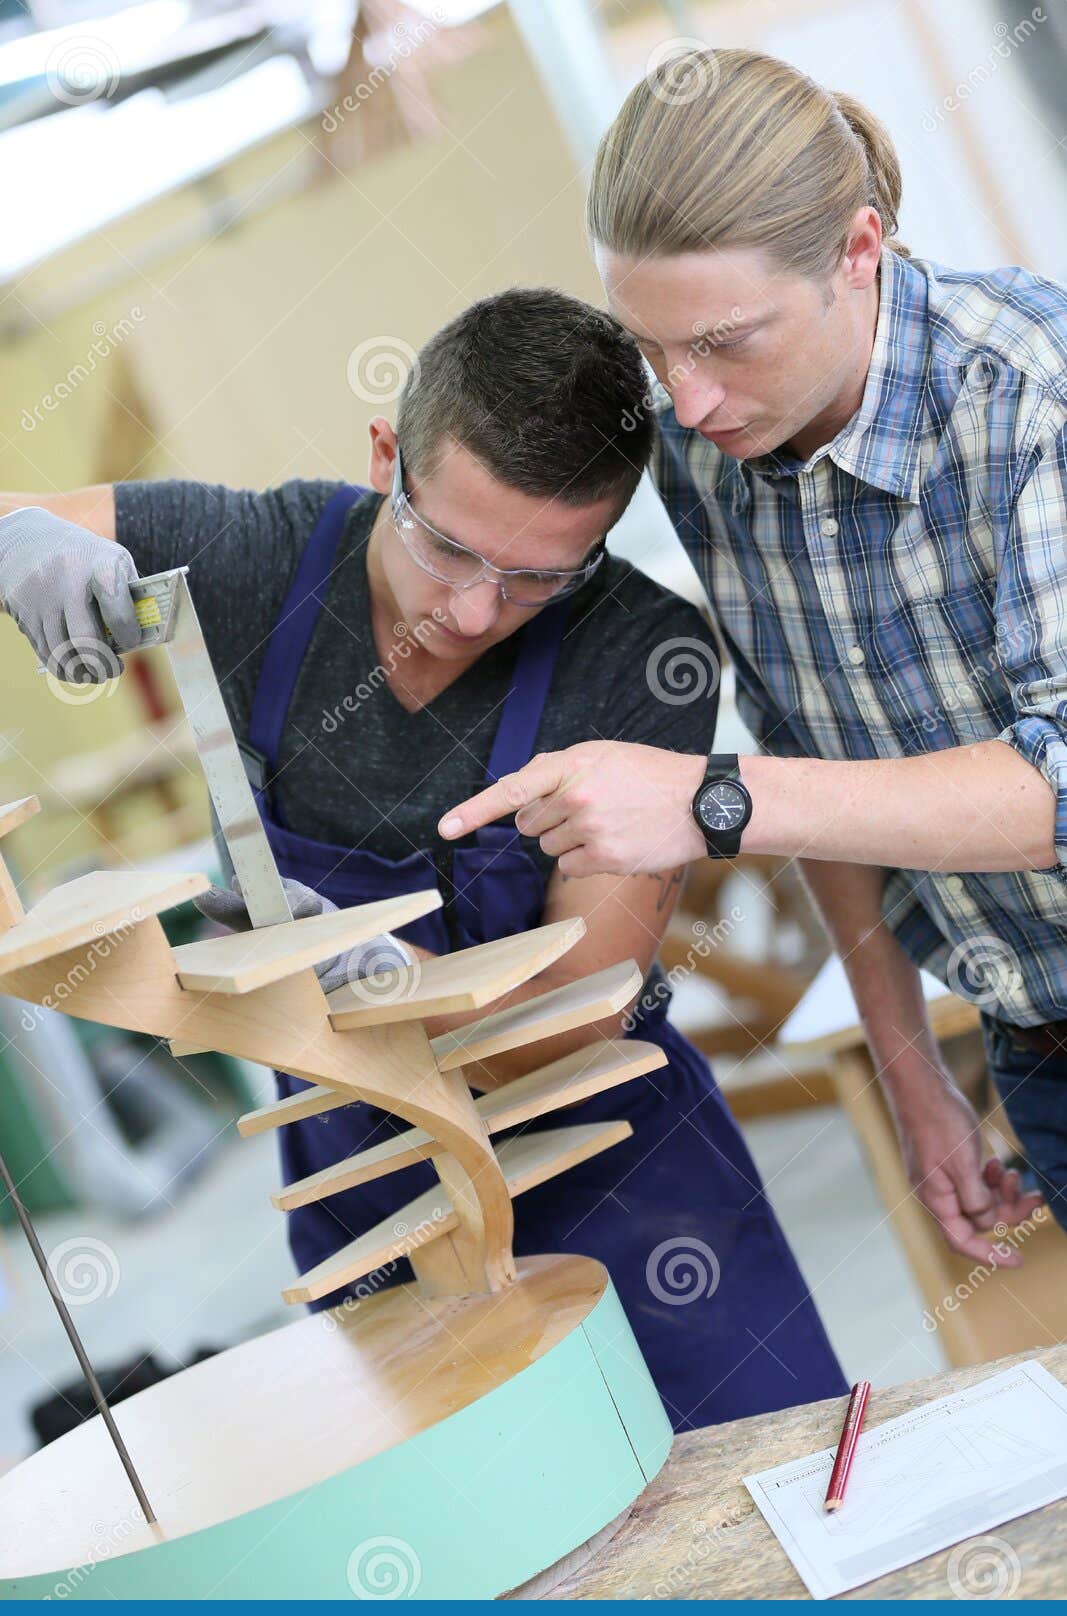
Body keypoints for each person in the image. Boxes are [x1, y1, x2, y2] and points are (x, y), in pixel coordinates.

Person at [0, 287, 846, 1431]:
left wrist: (388, 985)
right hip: (366, 1172)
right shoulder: (264, 558)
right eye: (447, 546)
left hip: (615, 1181)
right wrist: (17, 534)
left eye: (540, 575)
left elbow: (577, 1014)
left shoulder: (641, 652)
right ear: (385, 454)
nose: (474, 608)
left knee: (754, 1494)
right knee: (478, 1553)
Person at [440, 48, 1063, 1268]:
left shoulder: (1028, 399)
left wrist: (708, 800)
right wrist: (905, 1060)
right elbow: (806, 743)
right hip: (1028, 1027)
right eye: (653, 348)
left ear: (856, 251)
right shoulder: (706, 444)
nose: (685, 402)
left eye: (726, 342)